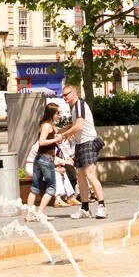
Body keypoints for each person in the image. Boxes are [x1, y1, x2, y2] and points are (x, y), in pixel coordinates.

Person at [60, 84, 107, 219]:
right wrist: (60, 131)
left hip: (88, 142)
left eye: (66, 94)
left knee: (90, 175)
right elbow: (75, 126)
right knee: (80, 176)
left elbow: (79, 126)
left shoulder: (79, 105)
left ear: (74, 93)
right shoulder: (74, 108)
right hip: (80, 144)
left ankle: (102, 206)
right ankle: (85, 208)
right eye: (63, 95)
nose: (64, 98)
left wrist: (63, 135)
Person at [24, 103, 64, 222]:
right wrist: (55, 139)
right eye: (58, 113)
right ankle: (40, 213)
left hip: (39, 159)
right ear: (52, 113)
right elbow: (41, 142)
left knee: (35, 188)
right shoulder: (47, 126)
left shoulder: (48, 125)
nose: (59, 115)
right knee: (51, 187)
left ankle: (29, 215)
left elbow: (60, 131)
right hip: (46, 159)